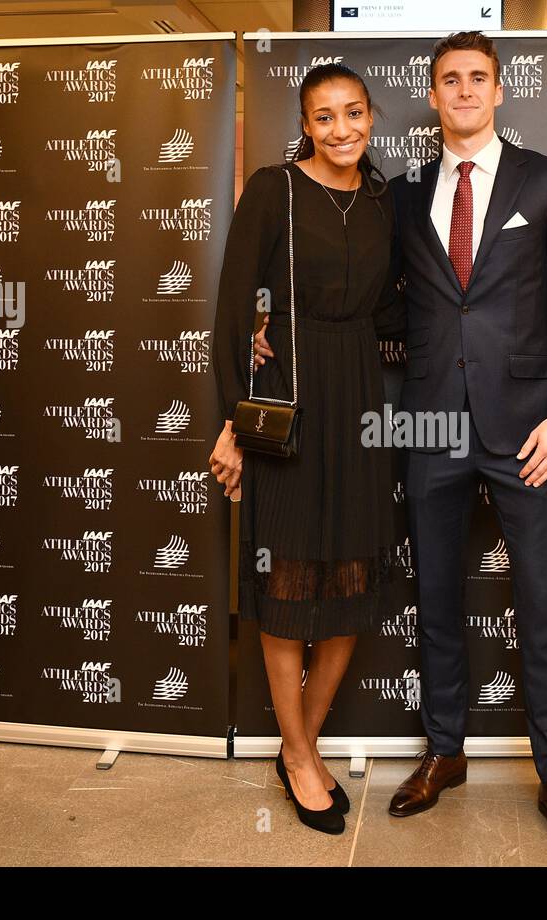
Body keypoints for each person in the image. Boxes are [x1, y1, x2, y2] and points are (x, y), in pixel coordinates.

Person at [385, 31, 547, 860]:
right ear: (433, 94)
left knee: (540, 609)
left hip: (528, 433)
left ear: (500, 90)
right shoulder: (405, 195)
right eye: (450, 80)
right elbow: (388, 307)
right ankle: (445, 753)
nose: (465, 90)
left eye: (478, 77)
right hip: (430, 423)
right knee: (437, 598)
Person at [209, 63, 404, 836]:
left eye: (353, 112)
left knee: (351, 572)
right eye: (324, 117)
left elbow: (399, 310)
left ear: (371, 115)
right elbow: (232, 308)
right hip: (288, 394)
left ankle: (308, 740)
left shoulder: (386, 200)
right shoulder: (274, 189)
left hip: (357, 393)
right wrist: (233, 422)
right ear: (306, 125)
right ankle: (295, 755)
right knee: (287, 581)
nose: (342, 129)